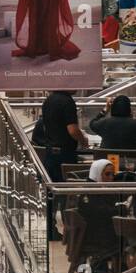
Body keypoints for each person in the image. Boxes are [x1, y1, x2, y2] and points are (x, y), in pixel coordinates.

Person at [39, 89, 87, 240]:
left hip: (50, 152)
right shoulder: (67, 102)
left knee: (51, 193)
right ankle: (69, 232)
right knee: (67, 194)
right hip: (64, 153)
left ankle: (51, 230)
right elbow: (72, 130)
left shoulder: (49, 100)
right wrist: (83, 139)